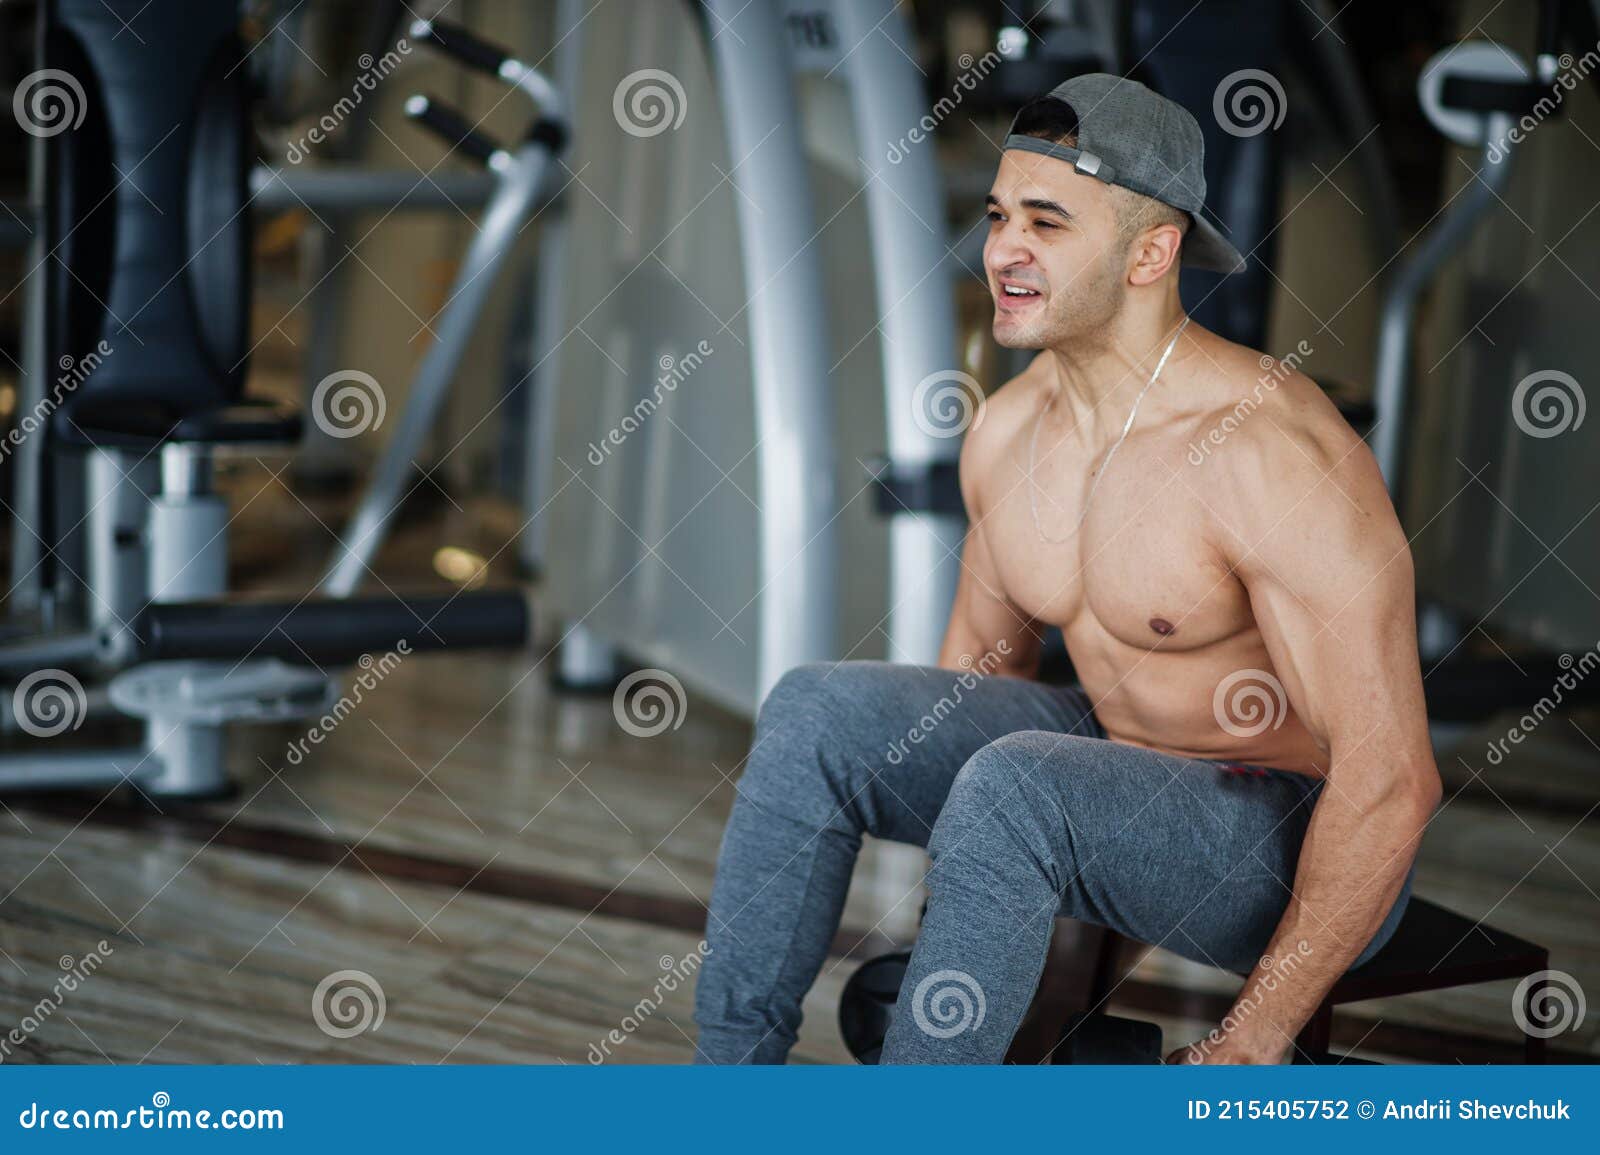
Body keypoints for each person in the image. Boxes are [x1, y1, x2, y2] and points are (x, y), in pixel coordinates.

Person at [693, 73, 1439, 1065]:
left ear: (1150, 253)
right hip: (1102, 763)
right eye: (1000, 216)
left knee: (1020, 786)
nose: (1004, 248)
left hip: (1276, 834)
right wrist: (957, 954)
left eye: (1046, 223)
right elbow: (974, 683)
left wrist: (1254, 1034)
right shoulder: (1008, 430)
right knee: (812, 713)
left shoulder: (1267, 452)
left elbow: (1391, 781)